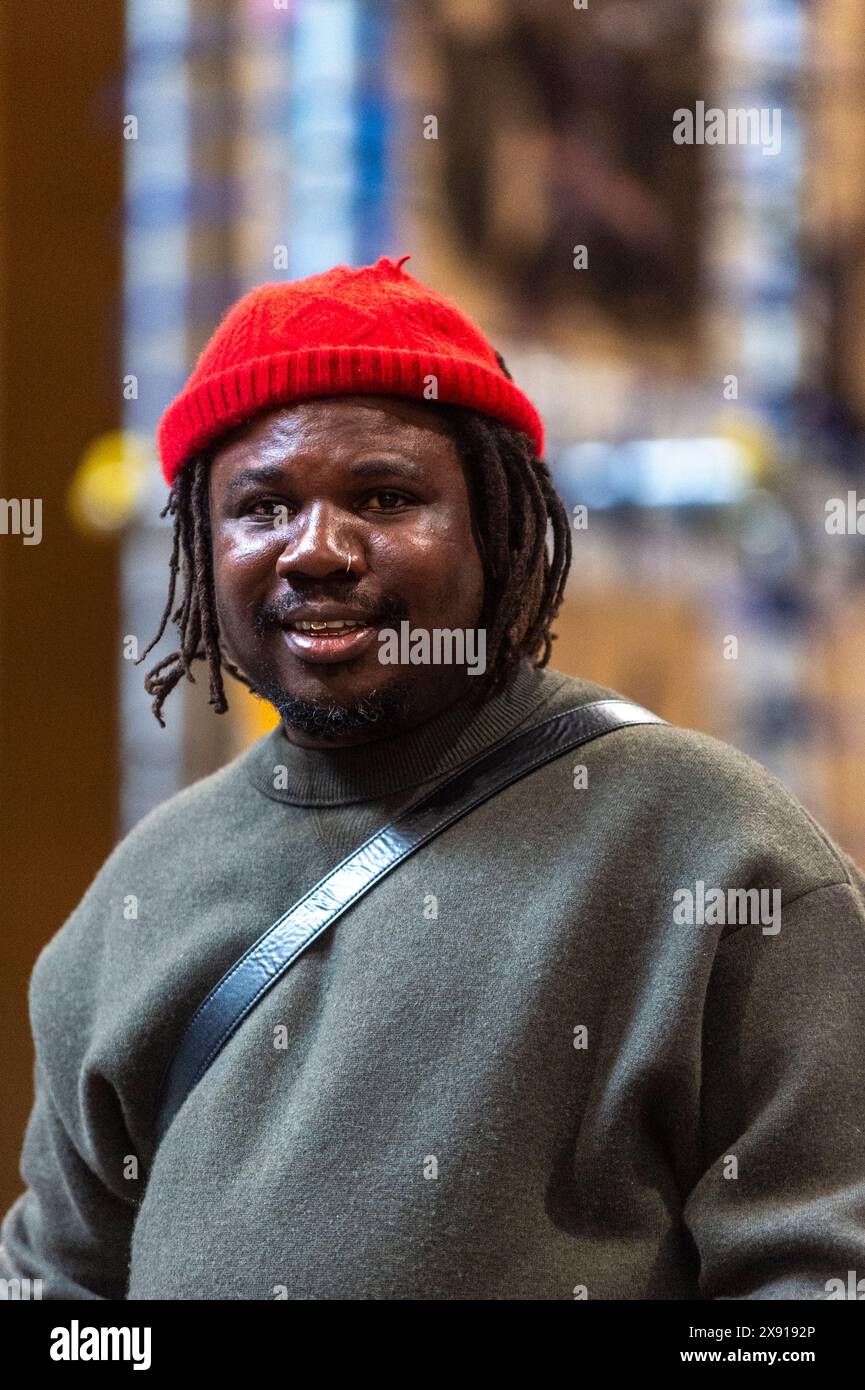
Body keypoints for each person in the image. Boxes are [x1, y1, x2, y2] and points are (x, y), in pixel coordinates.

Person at [2, 255, 864, 1301]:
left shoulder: (715, 849)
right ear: (200, 543)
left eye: (384, 494)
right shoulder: (137, 898)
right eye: (262, 508)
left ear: (496, 531)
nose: (315, 550)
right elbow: (61, 1299)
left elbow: (813, 1289)